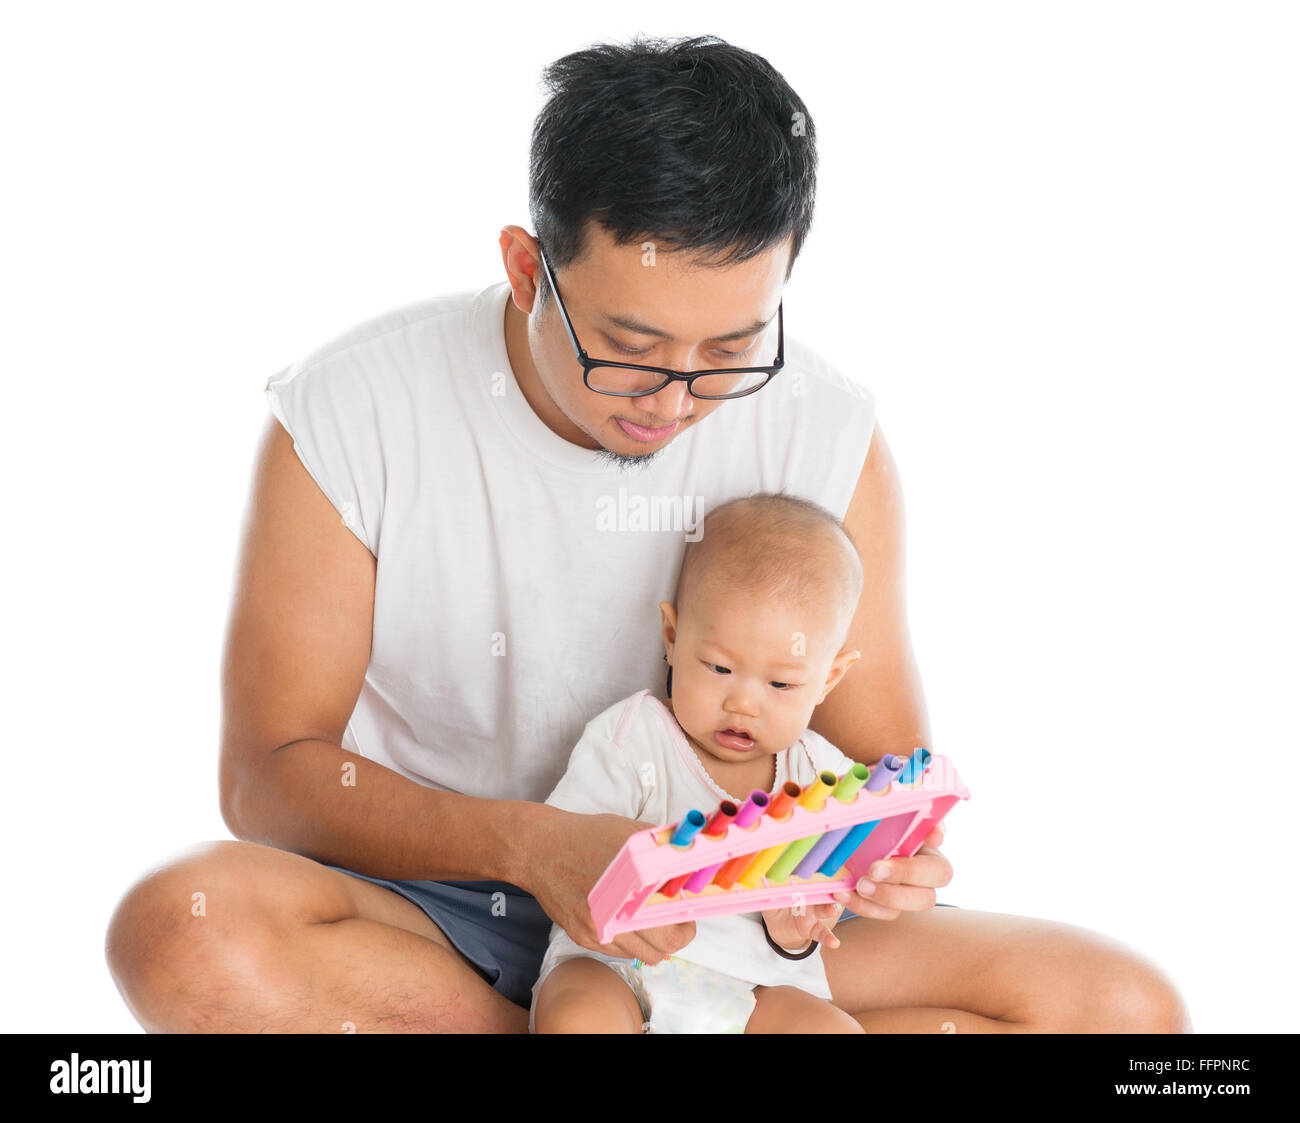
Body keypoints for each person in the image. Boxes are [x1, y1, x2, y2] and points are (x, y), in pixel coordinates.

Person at [104, 34, 1190, 1033]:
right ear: (528, 268)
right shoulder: (349, 410)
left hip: (738, 927)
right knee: (181, 927)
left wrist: (880, 860)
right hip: (440, 905)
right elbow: (268, 776)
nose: (673, 402)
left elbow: (876, 765)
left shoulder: (827, 432)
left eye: (730, 348)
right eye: (628, 345)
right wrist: (533, 846)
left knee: (1121, 1013)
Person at [534, 492, 891, 1034]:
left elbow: (811, 921)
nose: (743, 703)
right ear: (673, 638)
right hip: (616, 965)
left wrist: (799, 926)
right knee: (581, 1014)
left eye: (781, 684)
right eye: (719, 667)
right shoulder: (634, 736)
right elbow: (562, 852)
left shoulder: (826, 779)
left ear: (829, 680)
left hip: (755, 989)